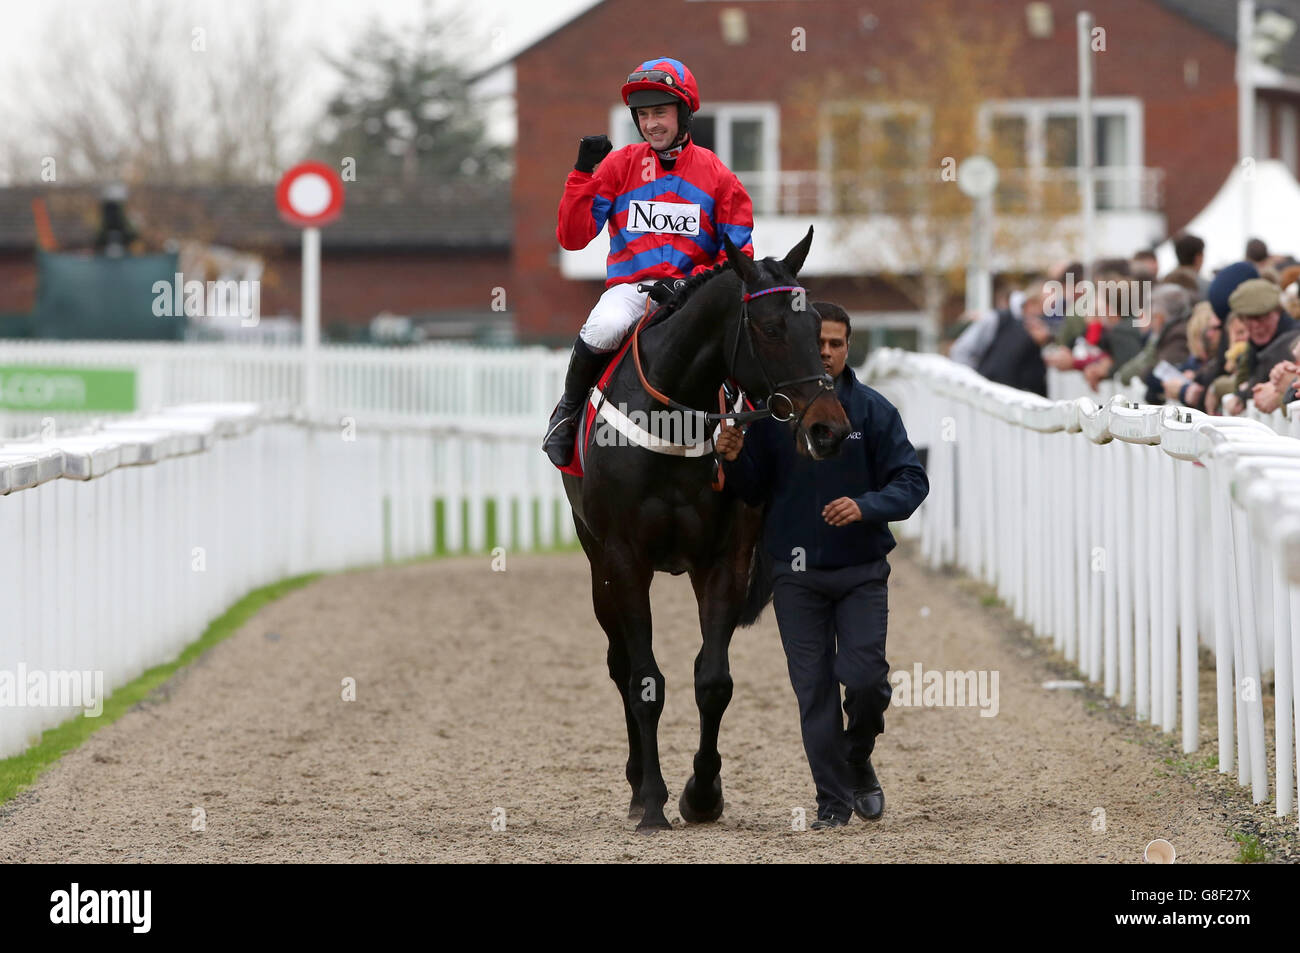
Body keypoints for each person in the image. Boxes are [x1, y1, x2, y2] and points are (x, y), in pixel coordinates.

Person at [714, 302, 929, 829]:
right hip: (794, 577)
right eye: (820, 344)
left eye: (836, 344)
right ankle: (832, 802)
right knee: (813, 693)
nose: (827, 353)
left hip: (861, 573)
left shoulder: (875, 410)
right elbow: (754, 491)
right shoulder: (774, 414)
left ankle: (857, 758)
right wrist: (733, 455)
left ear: (847, 347)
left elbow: (912, 482)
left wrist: (866, 506)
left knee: (866, 681)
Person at [543, 58, 755, 466]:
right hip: (630, 292)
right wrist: (582, 175)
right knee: (603, 327)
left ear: (684, 112)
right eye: (643, 115)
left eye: (660, 112)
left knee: (746, 341)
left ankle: (750, 433)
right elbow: (573, 237)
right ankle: (568, 413)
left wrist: (690, 285)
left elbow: (739, 258)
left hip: (694, 297)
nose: (652, 123)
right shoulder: (618, 166)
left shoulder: (719, 177)